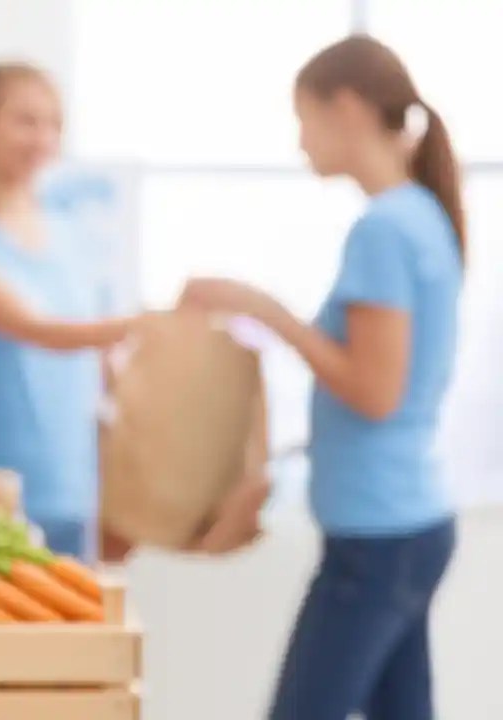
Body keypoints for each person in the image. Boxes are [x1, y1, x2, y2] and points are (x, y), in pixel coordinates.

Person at [182, 35, 464, 720]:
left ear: (347, 108)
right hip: (403, 523)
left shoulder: (386, 230)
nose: (299, 141)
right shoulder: (421, 216)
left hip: (379, 538)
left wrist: (264, 309)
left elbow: (375, 392)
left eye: (303, 118)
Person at [0, 63, 134, 562]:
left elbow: (106, 372)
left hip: (75, 487)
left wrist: (125, 489)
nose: (42, 137)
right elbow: (33, 329)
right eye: (26, 120)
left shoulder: (73, 233)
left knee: (78, 634)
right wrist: (148, 323)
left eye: (53, 124)